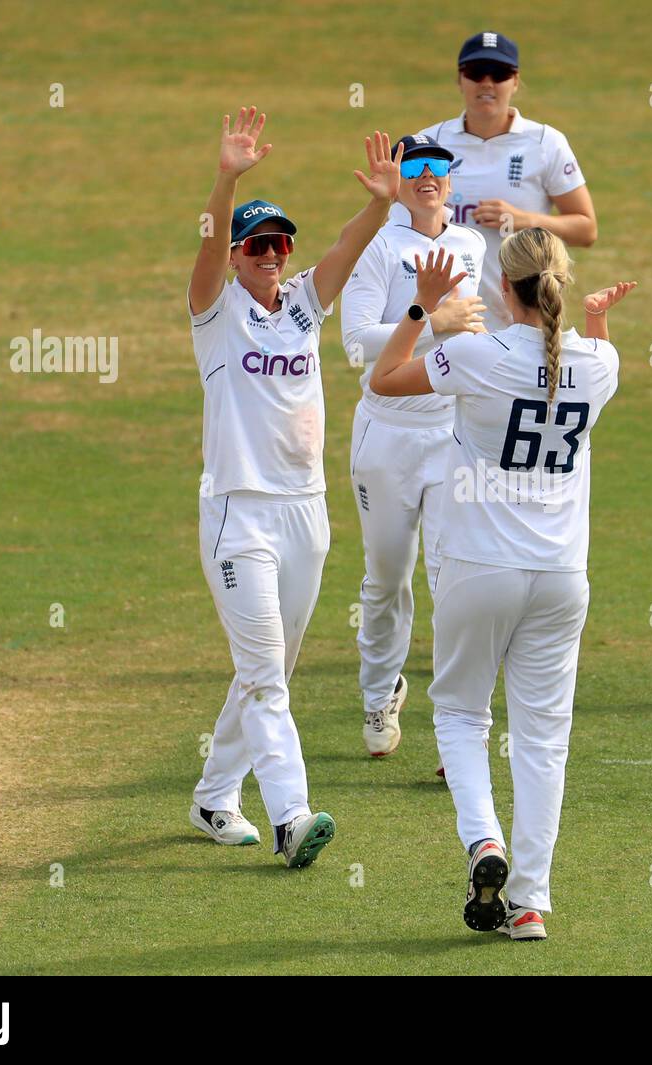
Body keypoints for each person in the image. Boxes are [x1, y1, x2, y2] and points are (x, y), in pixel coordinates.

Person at [369, 228, 635, 941]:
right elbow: (594, 358)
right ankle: (528, 903)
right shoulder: (598, 363)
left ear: (503, 287)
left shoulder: (477, 355)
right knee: (544, 740)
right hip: (561, 579)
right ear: (562, 284)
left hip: (477, 569)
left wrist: (423, 309)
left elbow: (384, 379)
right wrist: (600, 321)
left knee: (459, 715)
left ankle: (484, 839)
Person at [186, 107, 402, 866]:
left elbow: (347, 249)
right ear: (240, 254)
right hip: (238, 513)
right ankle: (291, 817)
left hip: (306, 513)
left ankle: (214, 796)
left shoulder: (306, 304)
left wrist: (381, 201)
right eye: (259, 245)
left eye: (280, 243)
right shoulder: (216, 312)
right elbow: (209, 248)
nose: (272, 255)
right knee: (265, 674)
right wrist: (225, 178)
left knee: (270, 667)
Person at [339, 134, 487, 758]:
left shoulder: (472, 244)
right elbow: (354, 343)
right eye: (413, 168)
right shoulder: (378, 246)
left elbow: (487, 325)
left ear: (451, 179)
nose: (427, 177)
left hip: (453, 432)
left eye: (437, 167)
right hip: (388, 433)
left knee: (455, 573)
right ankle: (378, 698)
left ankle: (459, 718)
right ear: (398, 180)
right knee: (388, 576)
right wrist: (430, 318)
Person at [418, 31, 597, 331]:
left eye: (499, 73)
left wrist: (523, 219)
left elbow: (586, 229)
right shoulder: (430, 143)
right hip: (443, 321)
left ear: (515, 81)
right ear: (460, 79)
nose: (487, 83)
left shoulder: (545, 142)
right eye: (476, 72)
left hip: (518, 322)